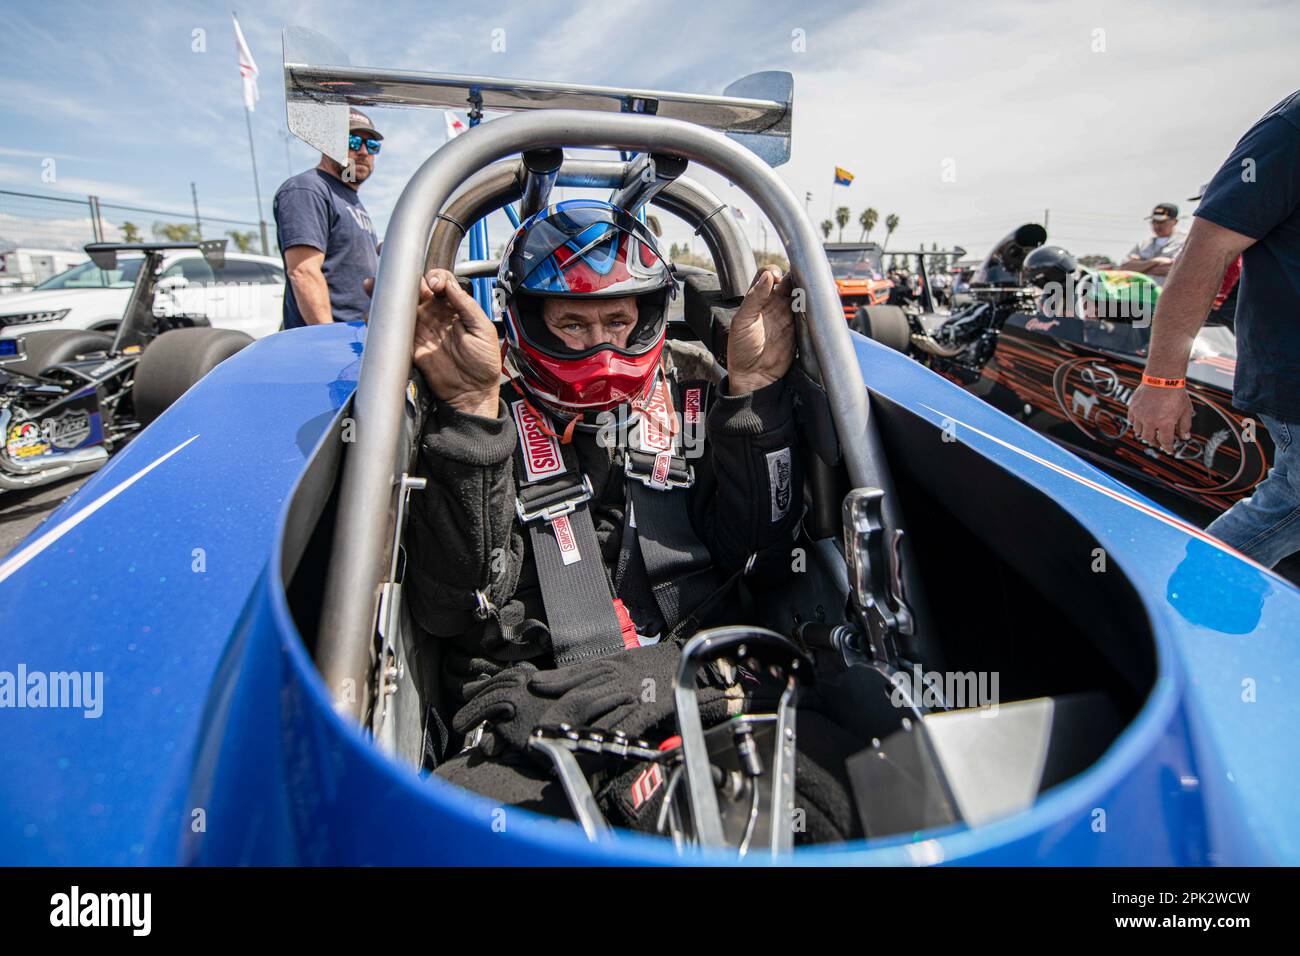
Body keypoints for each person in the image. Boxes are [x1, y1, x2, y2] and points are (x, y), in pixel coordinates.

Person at [399, 199, 856, 837]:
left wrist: (754, 390)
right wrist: (472, 414)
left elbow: (761, 553)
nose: (601, 345)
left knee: (837, 794)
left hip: (699, 681)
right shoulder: (483, 406)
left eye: (617, 320)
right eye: (572, 324)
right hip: (538, 709)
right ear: (529, 319)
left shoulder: (695, 388)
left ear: (646, 314)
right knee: (449, 837)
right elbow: (456, 608)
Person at [1130, 90, 1300, 568]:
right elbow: (1205, 250)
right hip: (1285, 367)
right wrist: (1163, 379)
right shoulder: (1292, 127)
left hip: (1230, 328)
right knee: (1293, 500)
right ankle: (1190, 600)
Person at [272, 108, 383, 329]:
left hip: (359, 336)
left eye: (371, 146)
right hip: (330, 343)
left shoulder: (350, 199)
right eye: (352, 141)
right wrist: (328, 340)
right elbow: (303, 271)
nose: (362, 151)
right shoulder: (307, 189)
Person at [1119, 203, 1186, 286]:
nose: (1157, 226)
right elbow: (1124, 267)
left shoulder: (1185, 242)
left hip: (1168, 294)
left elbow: (1178, 270)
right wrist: (1155, 261)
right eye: (1154, 221)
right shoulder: (1143, 244)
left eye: (1162, 222)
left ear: (1175, 222)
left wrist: (1140, 266)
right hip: (1144, 295)